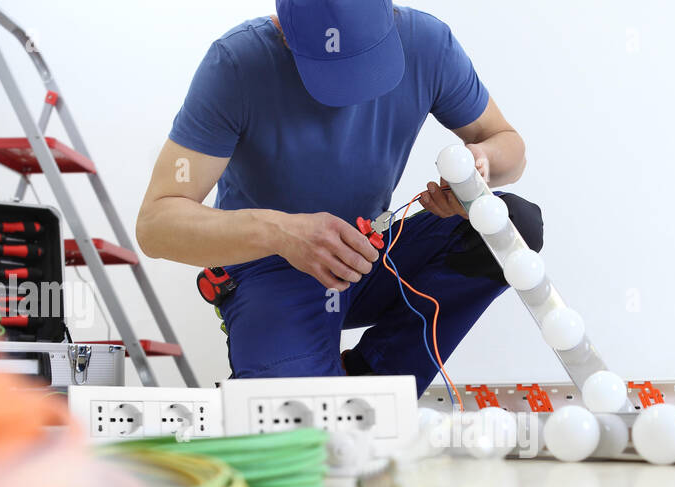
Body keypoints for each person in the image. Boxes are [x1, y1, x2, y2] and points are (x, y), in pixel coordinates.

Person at [135, 0, 543, 392]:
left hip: (370, 254)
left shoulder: (427, 43)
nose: (355, 93)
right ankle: (322, 383)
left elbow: (510, 149)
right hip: (270, 270)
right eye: (334, 67)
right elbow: (157, 224)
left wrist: (481, 167)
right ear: (284, 31)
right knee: (302, 427)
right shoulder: (237, 66)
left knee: (509, 228)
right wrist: (281, 232)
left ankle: (370, 375)